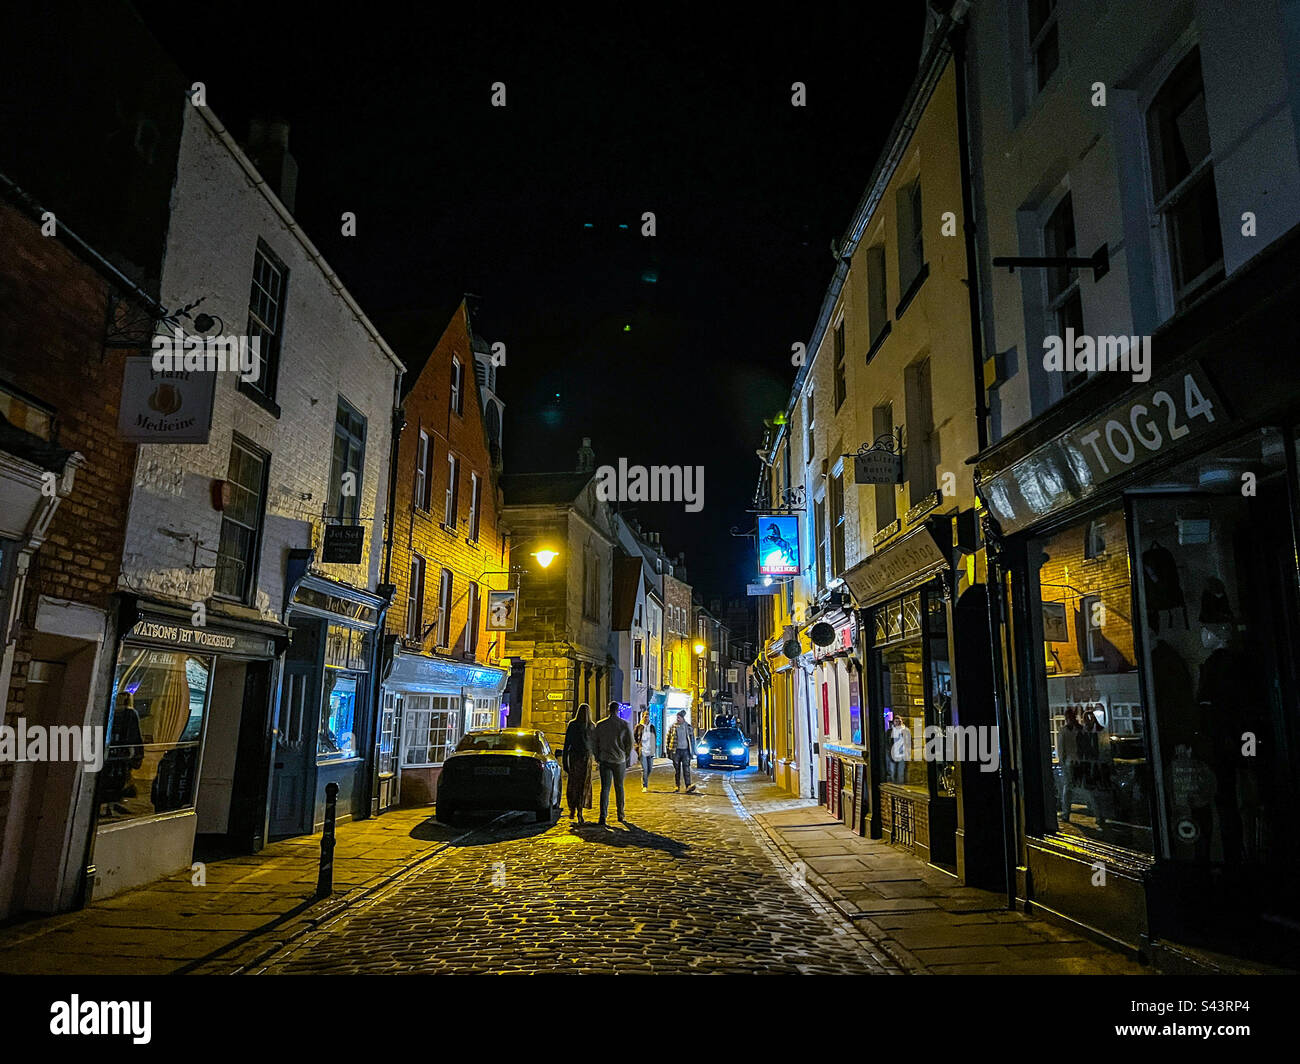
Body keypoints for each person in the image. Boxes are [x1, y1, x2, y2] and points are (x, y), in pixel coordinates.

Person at [593, 701, 634, 825]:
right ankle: (620, 814)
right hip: (619, 760)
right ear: (618, 710)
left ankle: (602, 816)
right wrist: (625, 756)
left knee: (605, 789)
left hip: (605, 759)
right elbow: (630, 743)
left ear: (608, 709)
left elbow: (595, 742)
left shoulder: (600, 725)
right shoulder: (624, 724)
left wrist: (597, 756)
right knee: (619, 787)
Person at [562, 704, 595, 824]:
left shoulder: (573, 725)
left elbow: (567, 745)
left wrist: (565, 761)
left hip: (574, 758)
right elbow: (594, 745)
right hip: (585, 759)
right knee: (583, 785)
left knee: (573, 784)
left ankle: (572, 808)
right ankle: (579, 811)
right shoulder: (591, 726)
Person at [1057, 707, 1083, 823]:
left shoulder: (1064, 731)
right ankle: (1097, 813)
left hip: (1069, 762)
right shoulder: (1080, 729)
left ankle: (1066, 813)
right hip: (1080, 761)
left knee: (1067, 788)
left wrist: (1061, 761)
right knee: (1083, 787)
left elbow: (1061, 749)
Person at [665, 710, 697, 793]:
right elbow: (668, 738)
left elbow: (692, 739)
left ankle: (688, 786)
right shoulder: (673, 727)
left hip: (685, 750)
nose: (677, 719)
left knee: (686, 769)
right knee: (677, 770)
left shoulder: (688, 727)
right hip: (676, 750)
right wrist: (668, 749)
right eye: (677, 717)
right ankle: (677, 786)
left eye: (679, 717)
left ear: (683, 718)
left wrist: (693, 751)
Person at [634, 709, 657, 791]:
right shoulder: (638, 727)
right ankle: (645, 785)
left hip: (650, 751)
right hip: (642, 750)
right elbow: (635, 738)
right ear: (642, 717)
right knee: (645, 769)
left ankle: (644, 780)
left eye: (647, 716)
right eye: (645, 716)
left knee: (650, 769)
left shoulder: (652, 727)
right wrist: (637, 748)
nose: (646, 718)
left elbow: (654, 738)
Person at [886, 712, 911, 784]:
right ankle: (894, 786)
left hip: (902, 754)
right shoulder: (889, 731)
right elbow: (887, 742)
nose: (898, 723)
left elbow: (909, 742)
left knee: (901, 773)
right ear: (893, 722)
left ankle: (900, 787)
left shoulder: (906, 730)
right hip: (892, 754)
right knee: (892, 772)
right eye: (896, 721)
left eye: (899, 721)